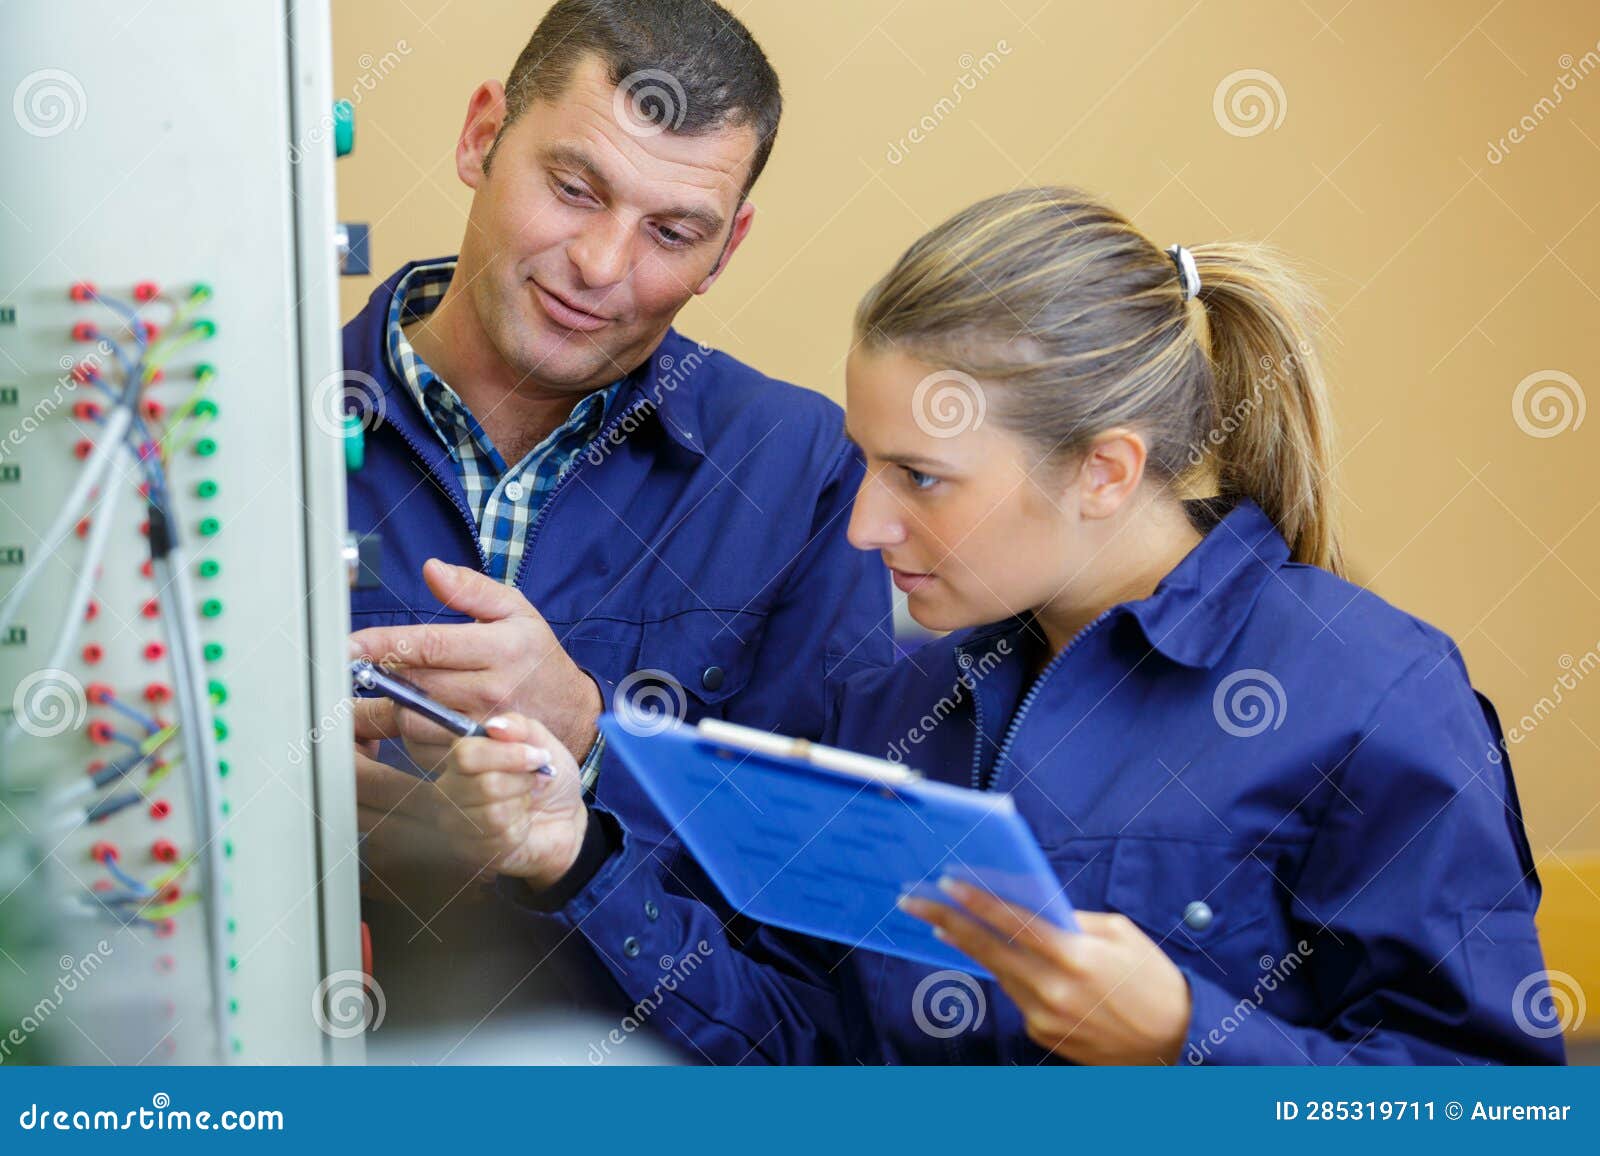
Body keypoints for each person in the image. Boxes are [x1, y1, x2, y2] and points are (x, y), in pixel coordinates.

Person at [418, 186, 1562, 1065]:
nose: (863, 524)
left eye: (921, 477)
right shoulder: (899, 702)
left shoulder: (1371, 695)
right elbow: (806, 1051)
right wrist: (578, 858)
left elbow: (1488, 1105)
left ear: (1105, 470)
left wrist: (1186, 1039)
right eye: (868, 462)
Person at [339, 0, 892, 1031]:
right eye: (573, 189)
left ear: (725, 249)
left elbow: (819, 989)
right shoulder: (249, 429)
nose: (600, 266)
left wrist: (592, 745)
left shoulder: (801, 472)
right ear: (481, 136)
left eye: (671, 233)